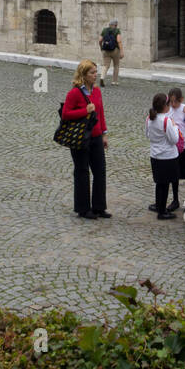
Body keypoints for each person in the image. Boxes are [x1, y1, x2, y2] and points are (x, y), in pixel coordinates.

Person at [61, 59, 109, 220]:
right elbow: (66, 114)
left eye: (96, 72)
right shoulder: (74, 93)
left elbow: (100, 113)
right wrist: (84, 111)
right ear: (83, 74)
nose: (95, 75)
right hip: (80, 138)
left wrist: (104, 133)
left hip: (96, 137)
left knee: (100, 172)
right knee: (82, 172)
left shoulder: (97, 91)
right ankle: (83, 208)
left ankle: (99, 207)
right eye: (92, 72)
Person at [145, 93, 182, 220]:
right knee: (165, 184)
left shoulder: (149, 118)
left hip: (155, 155)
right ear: (165, 106)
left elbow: (148, 135)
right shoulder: (166, 121)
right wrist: (175, 127)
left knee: (159, 183)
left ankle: (158, 205)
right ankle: (162, 211)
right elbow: (174, 140)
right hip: (167, 156)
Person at [97, 19, 123, 87]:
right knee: (116, 65)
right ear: (115, 25)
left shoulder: (105, 30)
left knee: (105, 65)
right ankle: (114, 81)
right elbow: (119, 41)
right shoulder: (117, 30)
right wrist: (122, 51)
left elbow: (100, 40)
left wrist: (101, 47)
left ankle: (102, 78)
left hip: (105, 50)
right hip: (115, 50)